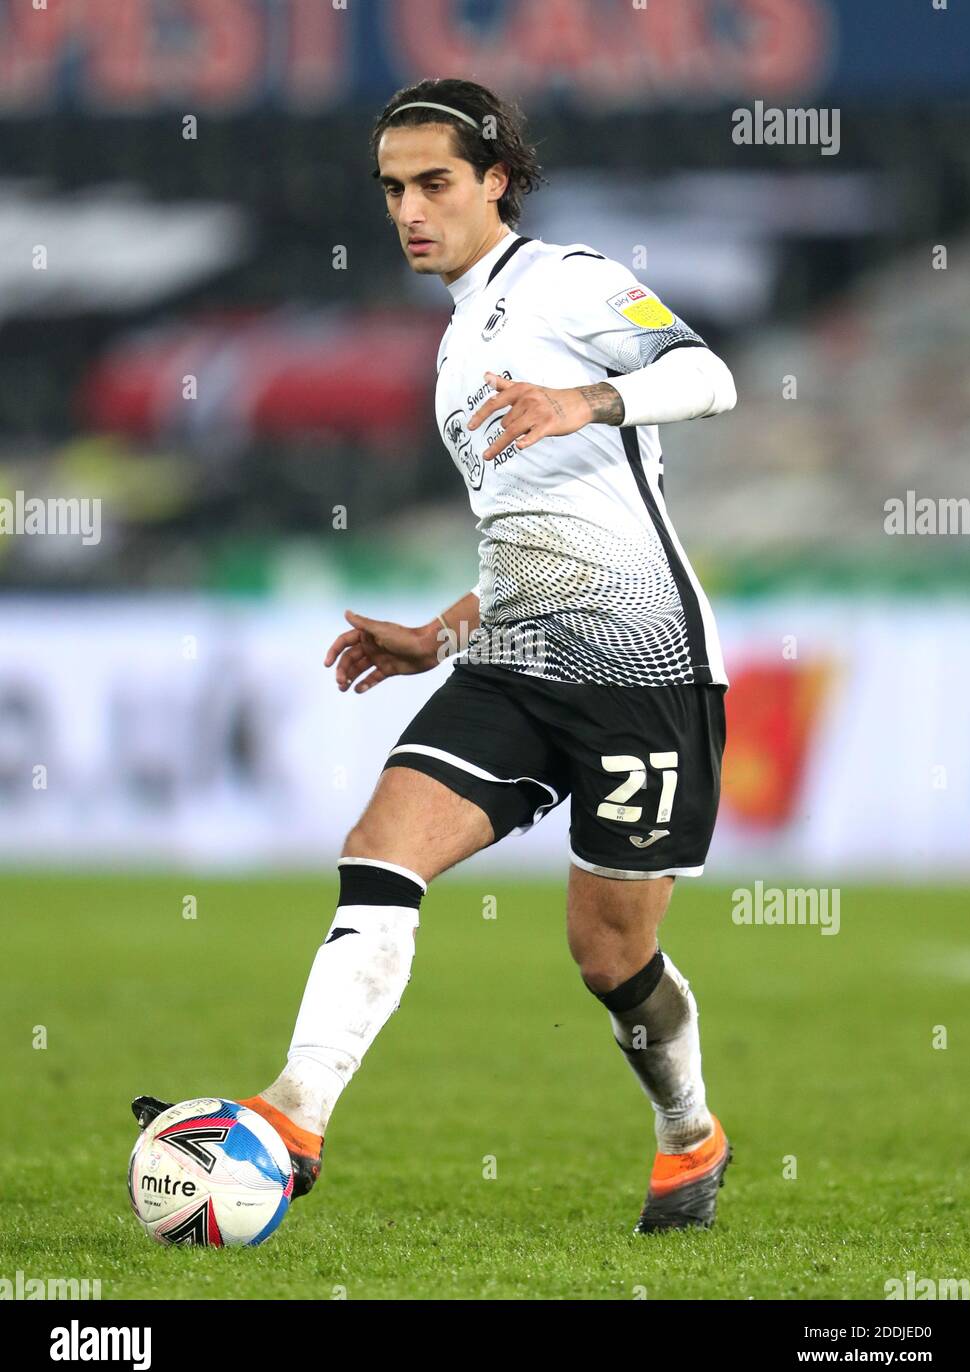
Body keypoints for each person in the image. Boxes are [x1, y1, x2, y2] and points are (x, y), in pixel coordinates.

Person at [134, 76, 737, 1234]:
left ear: (496, 180)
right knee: (379, 852)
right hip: (511, 659)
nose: (410, 209)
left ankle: (687, 1130)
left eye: (435, 183)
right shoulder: (460, 341)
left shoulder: (563, 281)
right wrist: (439, 633)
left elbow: (709, 376)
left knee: (610, 955)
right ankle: (294, 1116)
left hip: (643, 671)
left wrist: (591, 400)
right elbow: (532, 545)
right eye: (393, 189)